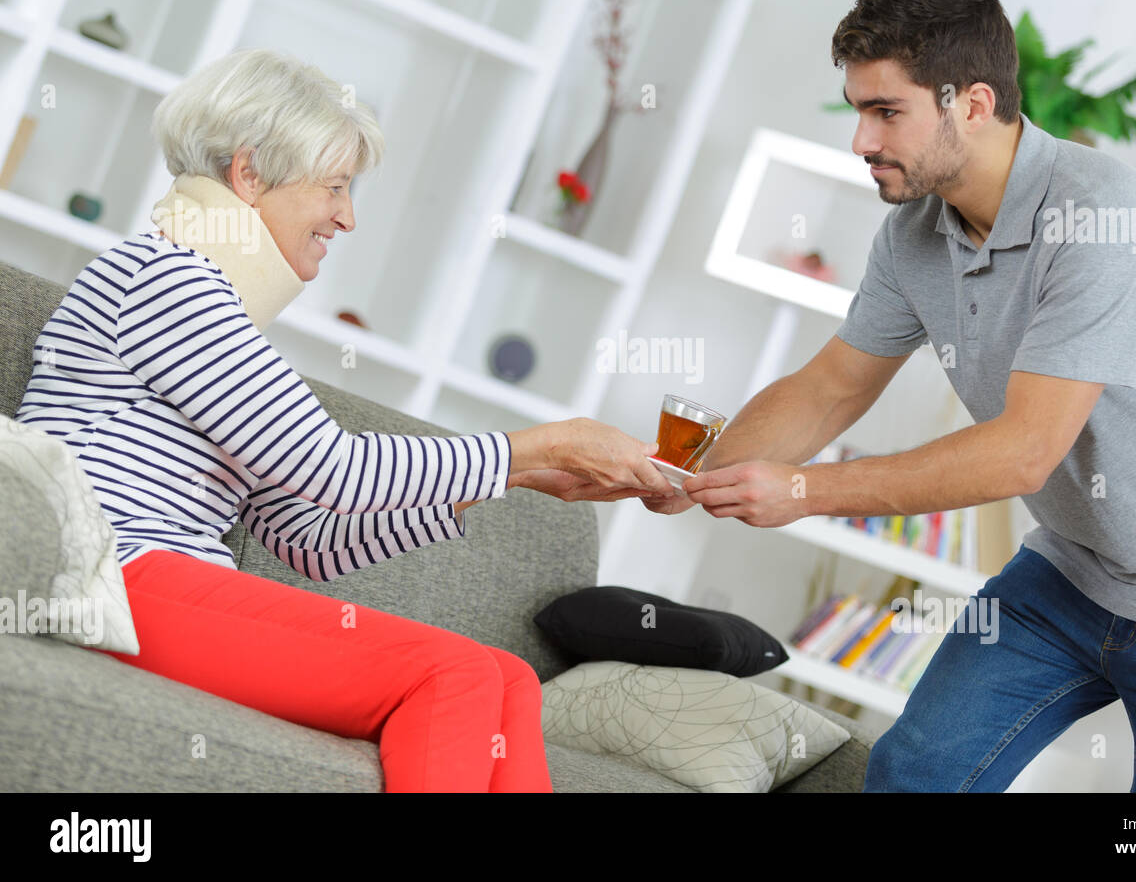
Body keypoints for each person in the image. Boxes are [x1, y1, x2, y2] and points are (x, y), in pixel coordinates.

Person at [644, 0, 1136, 792]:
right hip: (1070, 575)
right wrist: (695, 468)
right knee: (913, 775)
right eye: (858, 111)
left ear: (974, 104)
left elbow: (1022, 452)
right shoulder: (915, 233)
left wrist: (803, 491)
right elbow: (833, 385)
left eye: (887, 112)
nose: (861, 142)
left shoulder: (1102, 221)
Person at [15, 48, 675, 793]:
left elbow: (310, 541)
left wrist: (512, 475)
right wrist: (536, 445)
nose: (348, 216)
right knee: (453, 674)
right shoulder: (166, 279)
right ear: (250, 173)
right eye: (335, 186)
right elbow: (335, 469)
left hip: (158, 578)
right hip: (112, 572)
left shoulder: (212, 307)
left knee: (507, 676)